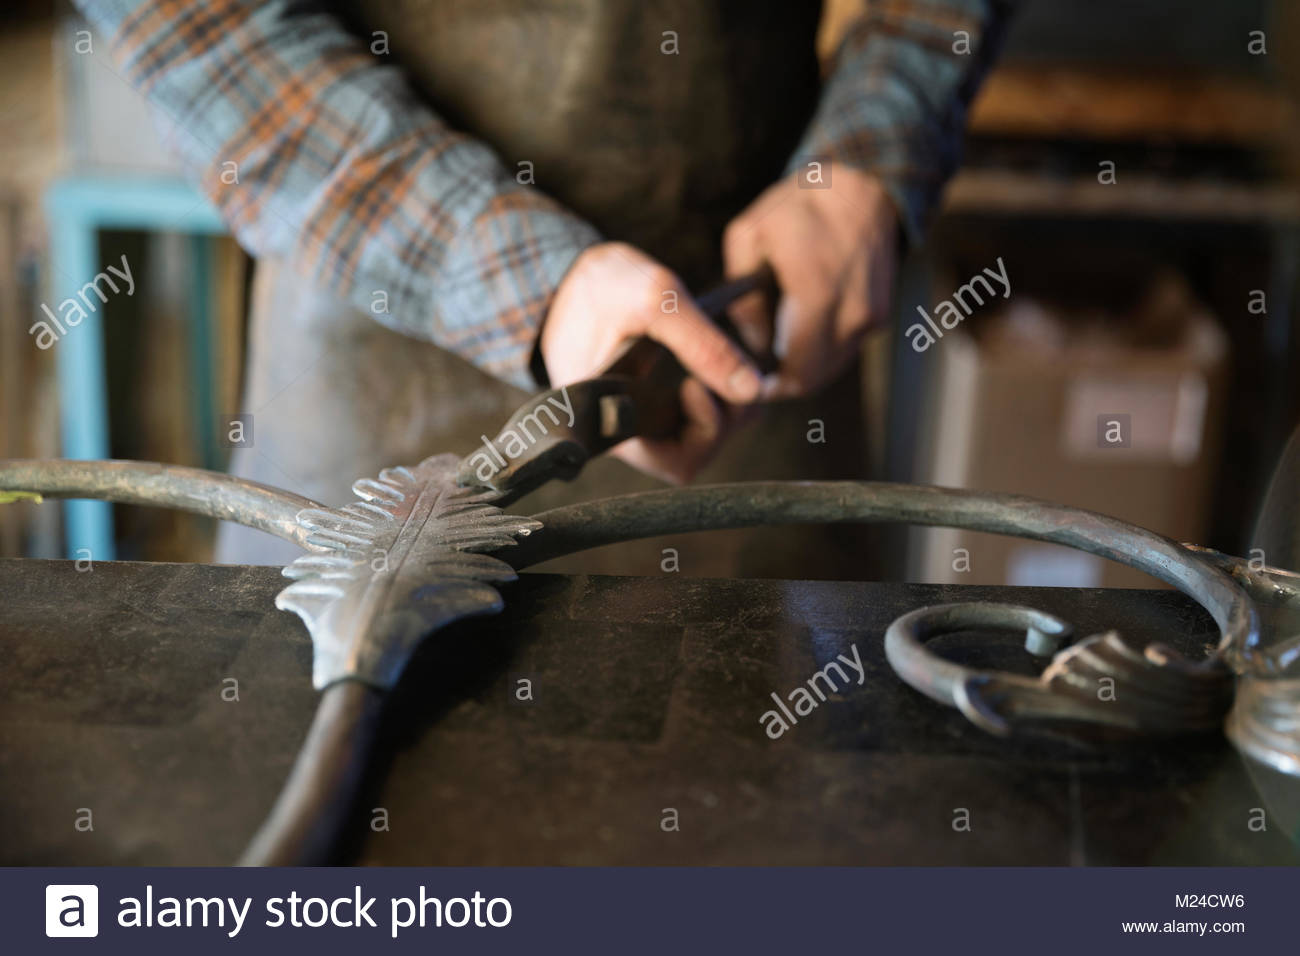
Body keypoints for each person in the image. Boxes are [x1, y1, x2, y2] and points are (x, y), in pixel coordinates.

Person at [75, 0, 1012, 573]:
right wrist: (510, 272)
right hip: (374, 345)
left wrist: (872, 147)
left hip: (758, 343)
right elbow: (188, 16)